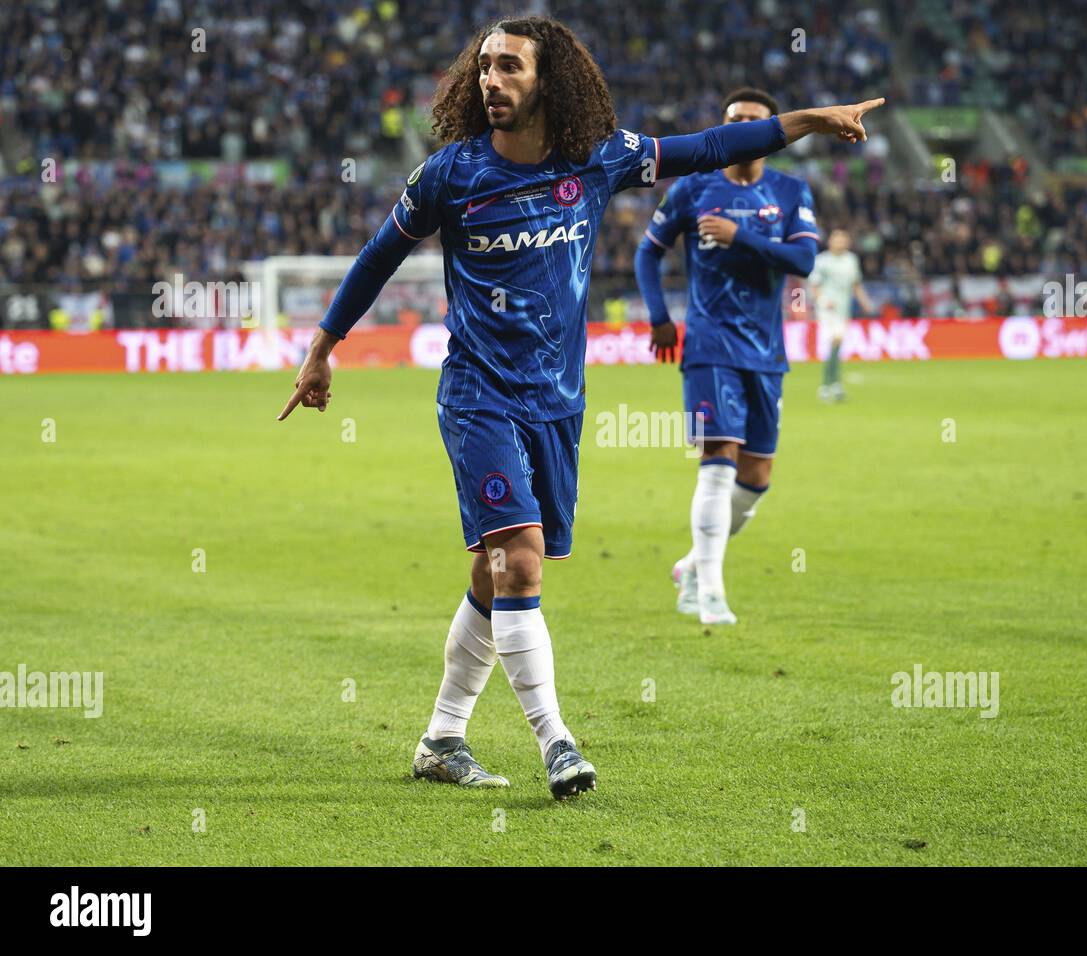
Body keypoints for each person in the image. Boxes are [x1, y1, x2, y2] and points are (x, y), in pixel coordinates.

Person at [277, 15, 885, 797]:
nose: (492, 80)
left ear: (547, 83)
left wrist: (806, 119)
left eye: (510, 68)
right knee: (520, 556)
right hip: (478, 394)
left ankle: (440, 738)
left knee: (496, 573)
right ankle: (557, 742)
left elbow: (710, 147)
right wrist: (324, 346)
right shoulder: (449, 176)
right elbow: (378, 259)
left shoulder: (597, 161)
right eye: (485, 67)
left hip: (558, 401)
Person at [634, 87, 825, 625]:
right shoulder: (694, 188)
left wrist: (740, 235)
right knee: (718, 463)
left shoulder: (791, 191)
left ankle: (693, 564)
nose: (743, 127)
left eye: (753, 121)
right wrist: (659, 317)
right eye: (734, 120)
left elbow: (804, 260)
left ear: (771, 132)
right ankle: (711, 593)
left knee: (757, 477)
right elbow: (648, 252)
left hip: (766, 350)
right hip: (709, 345)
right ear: (723, 128)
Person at [810, 228, 872, 402]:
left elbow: (856, 285)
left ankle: (834, 386)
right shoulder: (822, 261)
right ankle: (826, 386)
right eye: (837, 239)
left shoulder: (851, 260)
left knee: (836, 348)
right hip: (827, 311)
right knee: (834, 342)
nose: (840, 242)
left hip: (844, 311)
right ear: (830, 241)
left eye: (843, 239)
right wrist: (823, 300)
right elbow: (814, 285)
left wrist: (865, 302)